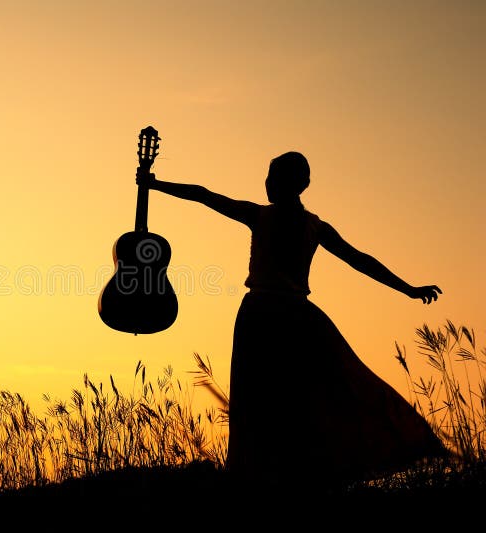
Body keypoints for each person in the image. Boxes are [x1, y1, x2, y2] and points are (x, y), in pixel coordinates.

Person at [136, 151, 447, 491]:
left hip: (263, 316)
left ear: (286, 184)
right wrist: (409, 290)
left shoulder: (264, 216)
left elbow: (204, 195)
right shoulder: (312, 225)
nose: (266, 186)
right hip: (297, 317)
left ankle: (267, 476)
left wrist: (155, 185)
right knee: (306, 395)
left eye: (270, 180)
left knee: (263, 399)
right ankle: (286, 475)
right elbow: (359, 260)